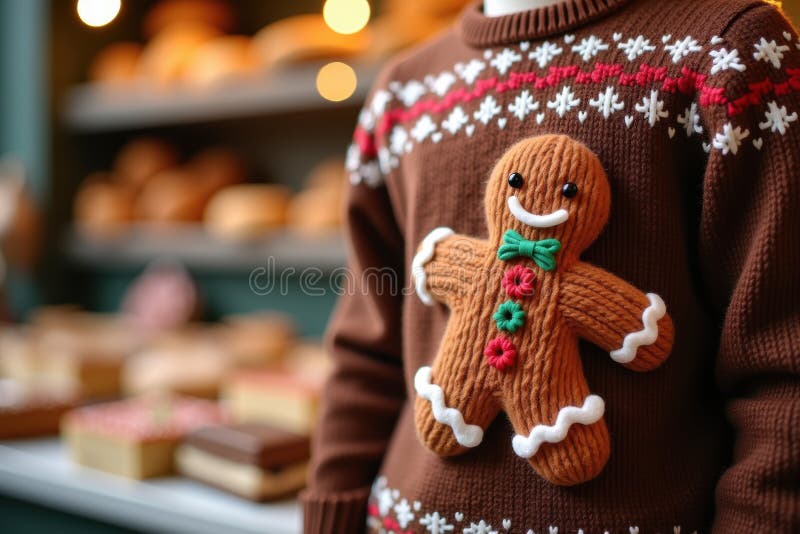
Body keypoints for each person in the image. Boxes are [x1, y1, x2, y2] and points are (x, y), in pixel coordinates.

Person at [302, 0, 800, 532]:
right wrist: (332, 515)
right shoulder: (402, 95)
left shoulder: (731, 53)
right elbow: (365, 355)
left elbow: (784, 374)